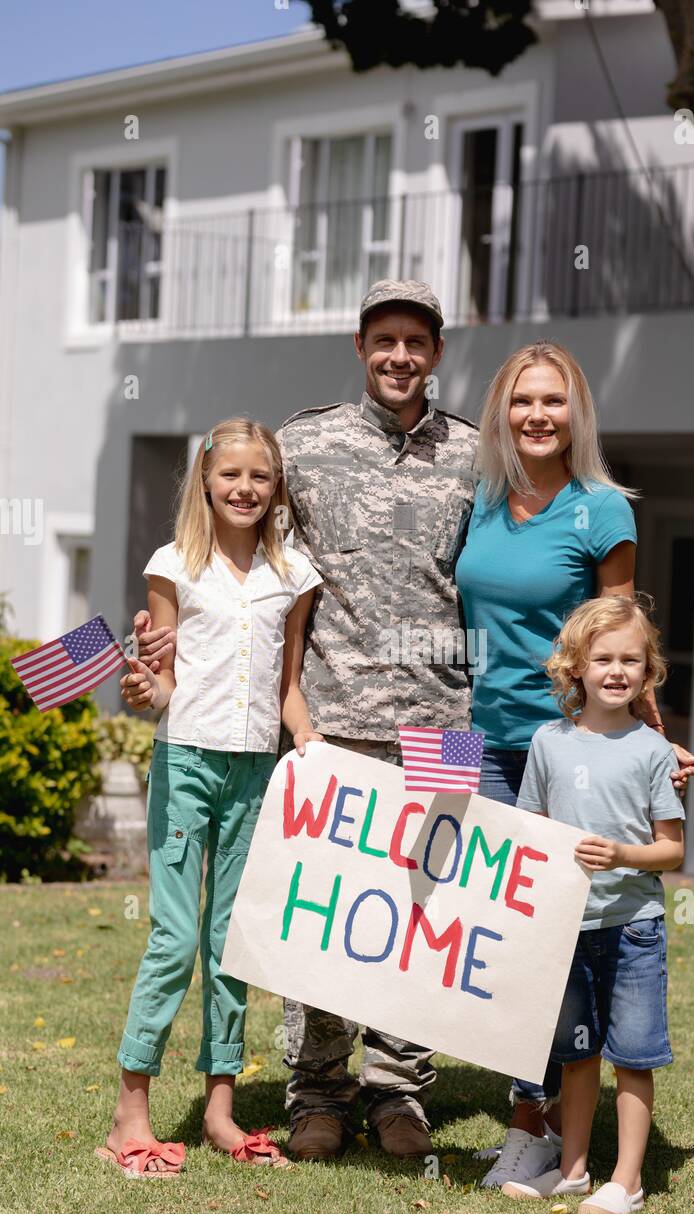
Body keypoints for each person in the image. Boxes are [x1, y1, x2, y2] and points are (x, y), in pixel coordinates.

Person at [455, 341, 694, 1188]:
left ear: (576, 413)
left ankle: (547, 1124)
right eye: (523, 400)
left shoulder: (603, 510)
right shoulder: (480, 499)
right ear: (502, 410)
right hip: (476, 739)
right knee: (504, 933)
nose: (537, 416)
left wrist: (649, 735)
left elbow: (622, 635)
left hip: (569, 748)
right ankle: (533, 1118)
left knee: (563, 935)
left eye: (554, 401)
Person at [276, 279, 480, 1160]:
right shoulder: (302, 443)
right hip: (335, 717)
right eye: (384, 340)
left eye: (418, 342)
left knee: (422, 906)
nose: (401, 355)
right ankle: (317, 1092)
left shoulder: (478, 454)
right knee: (325, 907)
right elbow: (256, 563)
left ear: (437, 353)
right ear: (361, 349)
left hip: (447, 720)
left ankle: (400, 1092)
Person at [96, 418, 322, 1177]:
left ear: (276, 485)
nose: (246, 489)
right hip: (186, 762)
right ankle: (131, 1115)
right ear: (205, 479)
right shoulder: (174, 566)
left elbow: (288, 688)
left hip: (255, 771)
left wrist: (312, 745)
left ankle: (221, 1110)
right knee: (174, 938)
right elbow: (158, 685)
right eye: (231, 475)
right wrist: (140, 683)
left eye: (260, 477)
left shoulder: (293, 575)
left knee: (231, 942)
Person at [500, 595, 685, 1214]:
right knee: (576, 1054)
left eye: (631, 660)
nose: (616, 670)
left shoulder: (654, 752)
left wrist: (623, 856)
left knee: (632, 1058)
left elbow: (672, 851)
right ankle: (574, 1170)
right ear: (574, 666)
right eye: (602, 657)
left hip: (633, 929)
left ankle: (627, 1181)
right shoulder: (548, 743)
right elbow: (529, 828)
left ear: (648, 671)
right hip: (566, 931)